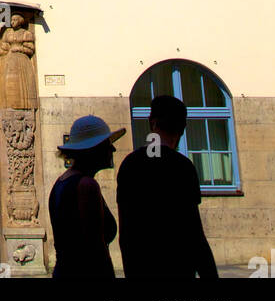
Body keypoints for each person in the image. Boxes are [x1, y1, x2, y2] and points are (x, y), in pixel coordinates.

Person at [116, 94, 218, 280]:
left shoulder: (130, 165)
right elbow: (194, 234)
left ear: (152, 123)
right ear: (183, 129)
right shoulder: (183, 167)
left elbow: (126, 233)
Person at [49, 115, 124, 279]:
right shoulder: (86, 185)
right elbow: (96, 248)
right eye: (107, 145)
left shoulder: (61, 182)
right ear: (94, 149)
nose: (113, 150)